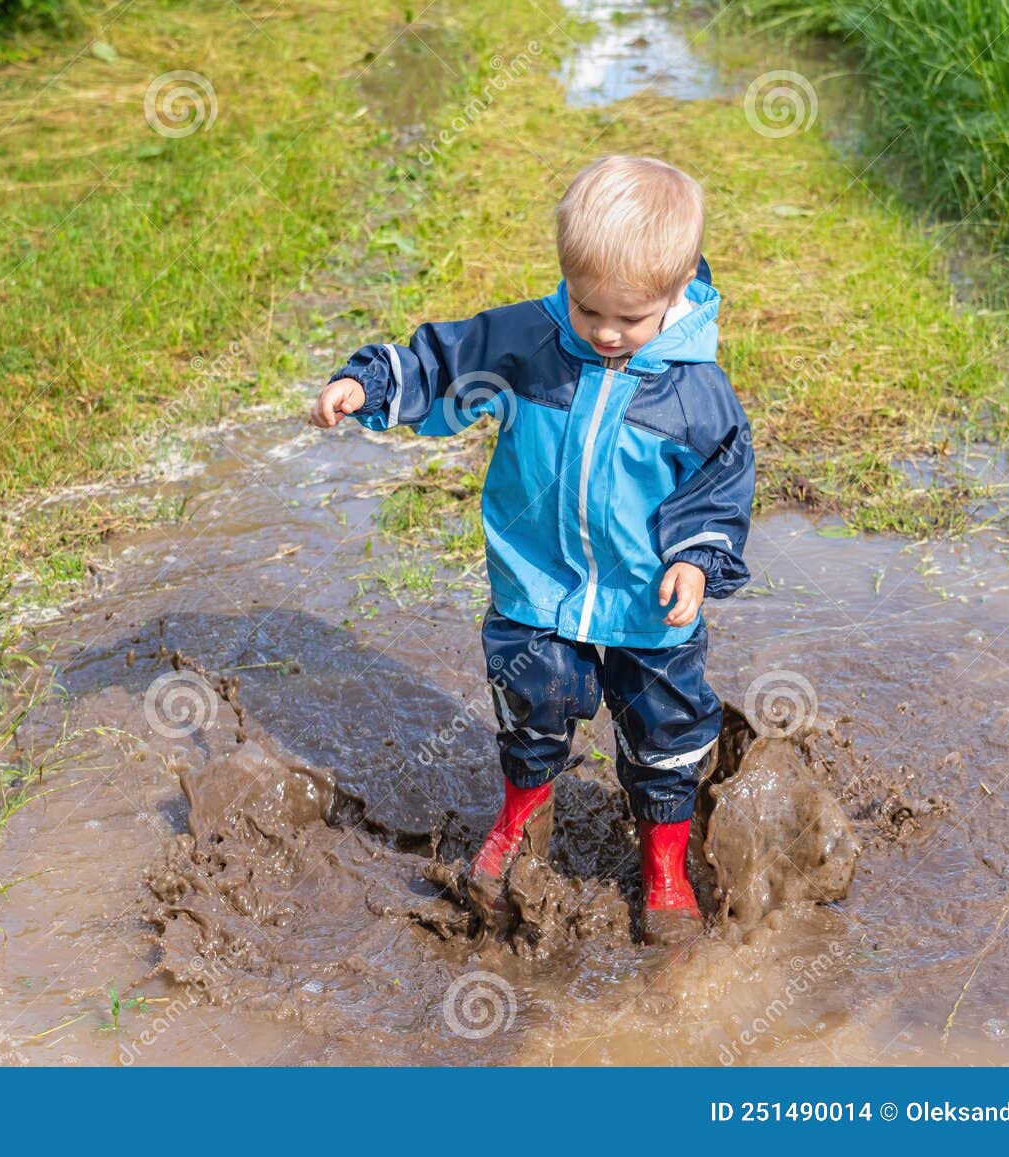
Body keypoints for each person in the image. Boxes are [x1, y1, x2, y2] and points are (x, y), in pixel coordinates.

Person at [309, 155, 755, 946]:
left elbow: (720, 482)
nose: (607, 332)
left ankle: (664, 865)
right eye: (587, 309)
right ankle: (521, 821)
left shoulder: (695, 391)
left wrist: (694, 556)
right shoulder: (532, 342)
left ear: (679, 288)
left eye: (630, 318)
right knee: (532, 706)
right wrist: (373, 386)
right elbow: (445, 361)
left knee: (664, 728)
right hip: (535, 587)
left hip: (646, 605)